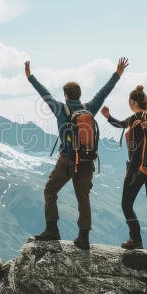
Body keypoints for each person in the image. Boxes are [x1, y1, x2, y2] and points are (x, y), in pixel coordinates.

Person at [26, 57, 129, 250]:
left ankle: (52, 230)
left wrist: (30, 77)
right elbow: (103, 92)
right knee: (83, 198)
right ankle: (84, 238)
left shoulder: (60, 108)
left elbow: (44, 93)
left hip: (67, 161)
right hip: (87, 161)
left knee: (50, 190)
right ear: (79, 95)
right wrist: (117, 74)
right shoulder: (89, 108)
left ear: (65, 95)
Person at [101, 85, 147, 252]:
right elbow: (122, 125)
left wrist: (130, 173)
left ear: (133, 102)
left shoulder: (137, 119)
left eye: (129, 101)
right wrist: (108, 117)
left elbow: (122, 127)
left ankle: (135, 238)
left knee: (126, 204)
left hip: (138, 169)